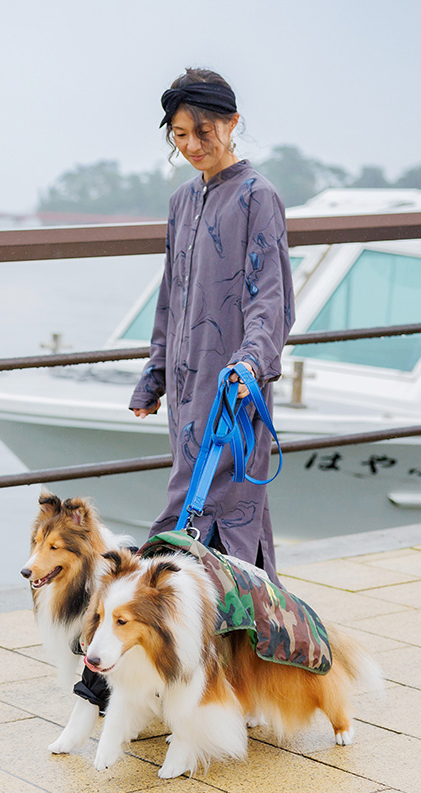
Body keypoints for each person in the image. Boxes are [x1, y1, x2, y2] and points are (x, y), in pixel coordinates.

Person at [129, 67, 295, 584]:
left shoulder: (256, 195)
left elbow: (271, 295)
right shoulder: (181, 202)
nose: (193, 145)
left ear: (232, 123)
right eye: (181, 135)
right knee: (219, 506)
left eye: (204, 132)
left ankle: (168, 619)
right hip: (186, 388)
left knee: (207, 505)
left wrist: (249, 361)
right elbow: (170, 297)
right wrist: (155, 375)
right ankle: (243, 634)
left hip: (233, 384)